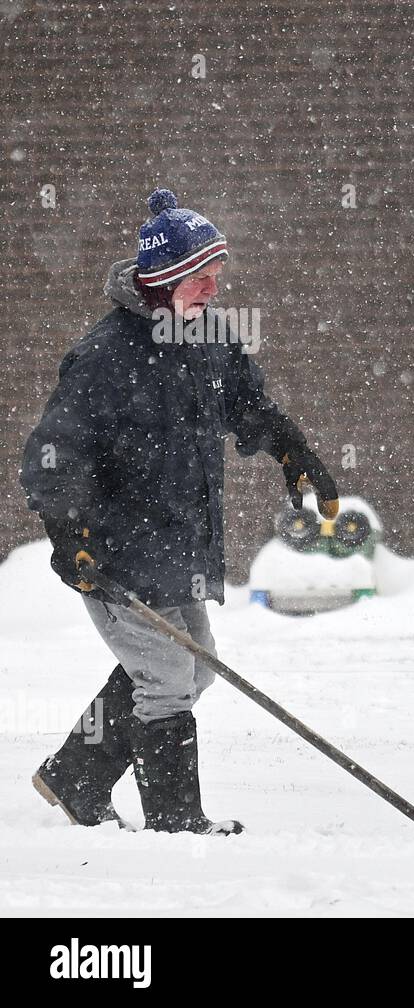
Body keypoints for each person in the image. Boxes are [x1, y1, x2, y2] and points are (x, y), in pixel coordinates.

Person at [22, 188, 339, 835]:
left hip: (175, 544)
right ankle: (176, 823)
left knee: (195, 665)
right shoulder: (106, 354)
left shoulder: (208, 339)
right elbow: (54, 453)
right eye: (202, 278)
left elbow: (247, 407)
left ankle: (75, 778)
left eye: (218, 276)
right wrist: (68, 533)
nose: (214, 290)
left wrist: (292, 451)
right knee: (166, 675)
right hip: (110, 548)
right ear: (163, 280)